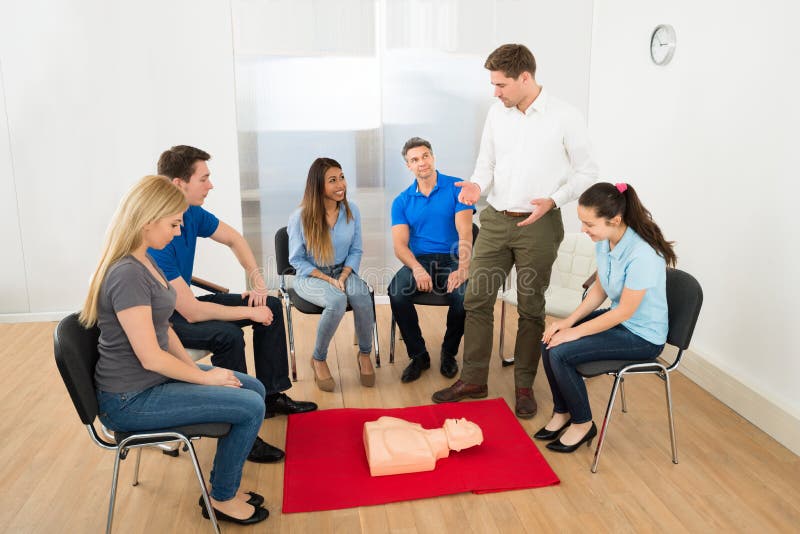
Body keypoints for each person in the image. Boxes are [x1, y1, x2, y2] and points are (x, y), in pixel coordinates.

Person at [80, 175, 269, 525]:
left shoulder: (145, 262)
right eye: (173, 224)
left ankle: (223, 487)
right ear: (147, 221)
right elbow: (150, 356)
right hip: (129, 401)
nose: (179, 232)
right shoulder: (127, 275)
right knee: (250, 405)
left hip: (150, 383)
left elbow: (164, 329)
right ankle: (221, 498)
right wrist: (203, 379)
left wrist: (200, 376)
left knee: (253, 388)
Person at [432, 44, 598, 420]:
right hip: (495, 221)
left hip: (538, 225)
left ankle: (524, 385)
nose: (496, 92)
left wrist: (554, 200)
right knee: (476, 299)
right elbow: (486, 164)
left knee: (530, 306)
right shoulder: (497, 114)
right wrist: (476, 187)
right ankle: (473, 378)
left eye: (501, 84)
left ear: (525, 78)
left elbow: (587, 171)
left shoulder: (565, 116)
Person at [148, 145, 316, 464]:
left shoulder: (191, 214)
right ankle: (240, 427)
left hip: (181, 306)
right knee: (228, 335)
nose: (210, 185)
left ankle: (271, 393)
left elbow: (234, 239)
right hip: (163, 323)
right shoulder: (157, 233)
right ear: (177, 184)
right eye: (204, 178)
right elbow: (191, 312)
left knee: (270, 303)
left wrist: (256, 282)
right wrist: (250, 312)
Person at [536, 182, 676, 453]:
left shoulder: (643, 254)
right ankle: (562, 412)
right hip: (619, 322)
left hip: (642, 336)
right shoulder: (606, 240)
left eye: (589, 224)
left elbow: (625, 310)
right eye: (582, 222)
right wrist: (567, 323)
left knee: (560, 353)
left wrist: (575, 332)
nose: (583, 230)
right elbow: (600, 289)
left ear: (615, 220)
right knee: (550, 339)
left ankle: (582, 423)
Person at [388, 137, 475, 383]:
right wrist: (416, 268)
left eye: (425, 156)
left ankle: (449, 353)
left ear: (433, 157)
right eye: (415, 159)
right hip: (421, 259)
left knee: (462, 296)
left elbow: (465, 232)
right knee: (396, 292)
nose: (421, 163)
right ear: (408, 166)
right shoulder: (402, 201)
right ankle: (419, 356)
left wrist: (463, 267)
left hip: (453, 257)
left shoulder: (457, 188)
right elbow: (399, 245)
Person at [287, 157, 376, 391]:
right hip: (310, 276)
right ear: (318, 185)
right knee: (337, 300)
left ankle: (364, 354)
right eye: (333, 180)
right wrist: (328, 279)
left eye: (342, 178)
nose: (341, 185)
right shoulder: (300, 217)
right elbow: (296, 260)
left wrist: (344, 276)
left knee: (363, 297)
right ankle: (318, 358)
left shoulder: (351, 210)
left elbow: (356, 249)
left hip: (342, 271)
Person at [363, 416, 484, 476]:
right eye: (466, 421)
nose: (462, 420)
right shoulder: (417, 428)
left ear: (459, 445)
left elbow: (386, 447)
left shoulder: (426, 453)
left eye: (467, 428)